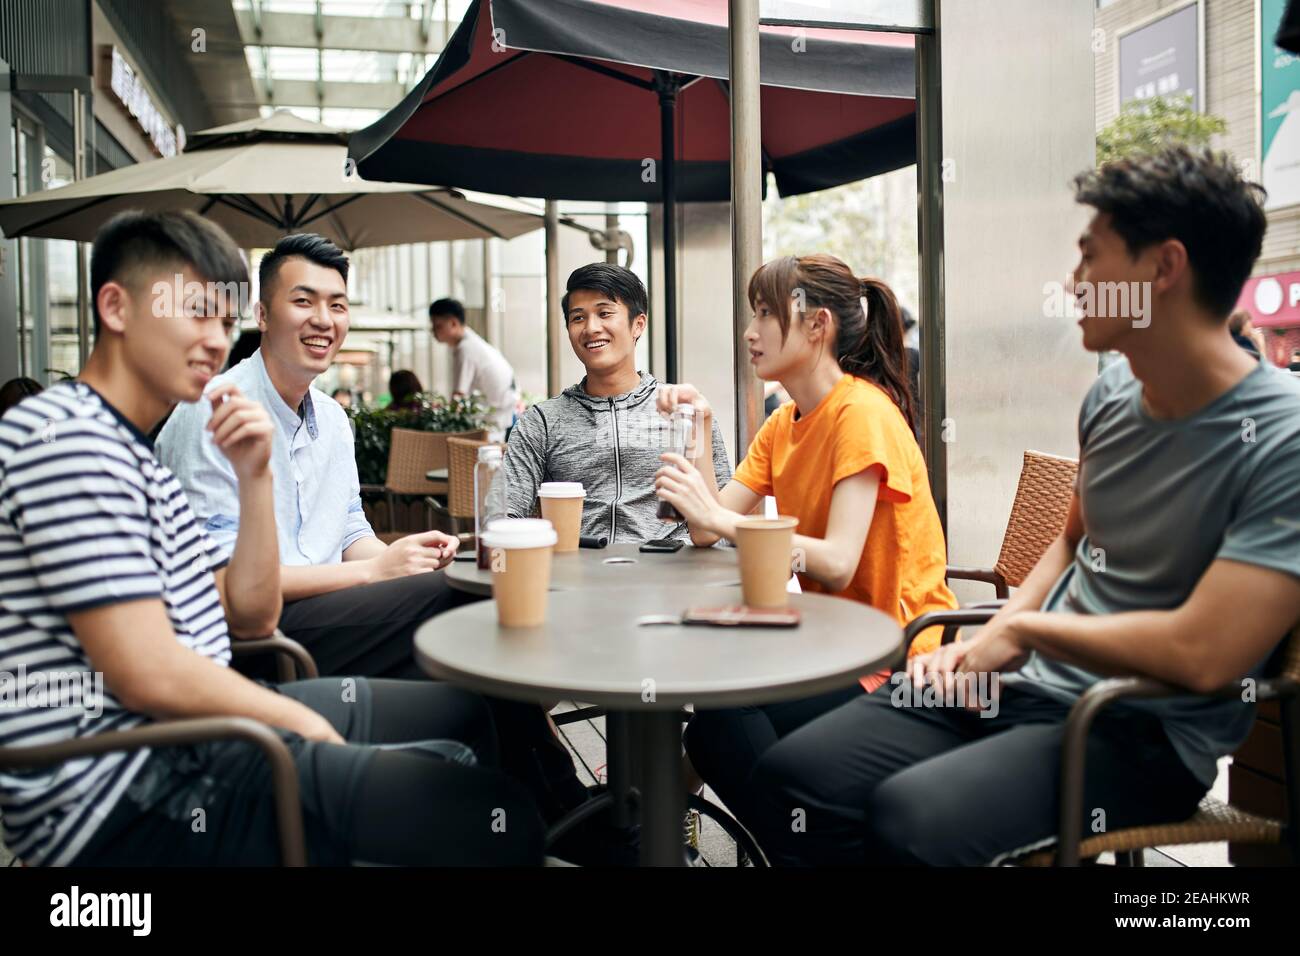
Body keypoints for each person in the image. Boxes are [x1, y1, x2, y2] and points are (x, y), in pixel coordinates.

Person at [735, 147, 1300, 866]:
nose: (1073, 283)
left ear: (1163, 269)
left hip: (1138, 730)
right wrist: (991, 642)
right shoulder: (1112, 398)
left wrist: (1021, 632)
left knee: (908, 821)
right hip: (1023, 685)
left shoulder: (1281, 436)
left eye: (1090, 259)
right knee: (793, 780)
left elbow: (1201, 653)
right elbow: (1069, 546)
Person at [0, 210, 543, 866]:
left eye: (222, 321)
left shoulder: (132, 448)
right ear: (115, 307)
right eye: (195, 312)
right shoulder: (67, 441)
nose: (212, 339)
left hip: (202, 725)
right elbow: (144, 671)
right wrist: (299, 725)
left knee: (463, 721)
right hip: (128, 791)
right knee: (495, 820)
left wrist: (256, 479)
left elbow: (250, 613)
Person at [158, 233, 587, 825]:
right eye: (303, 301)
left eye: (337, 304)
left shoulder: (332, 418)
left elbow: (351, 529)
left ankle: (529, 815)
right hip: (256, 643)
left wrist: (396, 551)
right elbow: (225, 592)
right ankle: (563, 812)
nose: (324, 320)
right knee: (453, 606)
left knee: (466, 620)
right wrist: (371, 571)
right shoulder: (211, 413)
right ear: (261, 314)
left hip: (328, 615)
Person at [652, 254, 958, 830]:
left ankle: (807, 840)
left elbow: (838, 562)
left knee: (723, 719)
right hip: (831, 644)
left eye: (766, 313)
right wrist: (701, 425)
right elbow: (704, 523)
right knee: (719, 713)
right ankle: (809, 837)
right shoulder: (784, 422)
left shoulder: (861, 414)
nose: (750, 330)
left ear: (817, 325)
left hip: (900, 659)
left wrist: (718, 522)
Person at [502, 263, 732, 543]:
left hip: (669, 574)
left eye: (604, 313)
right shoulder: (542, 421)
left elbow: (720, 517)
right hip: (577, 575)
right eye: (578, 318)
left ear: (638, 324)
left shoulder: (683, 410)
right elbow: (507, 511)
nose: (591, 328)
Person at [429, 297, 518, 439]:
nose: (433, 331)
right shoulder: (471, 341)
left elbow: (458, 397)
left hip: (494, 422)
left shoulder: (466, 348)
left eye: (437, 326)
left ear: (453, 323)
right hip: (503, 415)